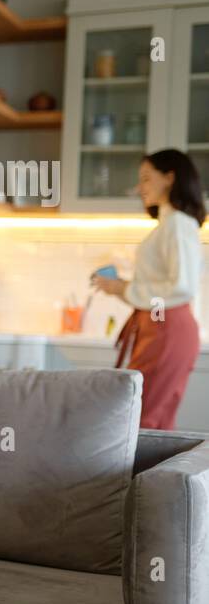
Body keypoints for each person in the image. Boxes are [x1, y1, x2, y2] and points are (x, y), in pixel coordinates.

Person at [93, 149, 206, 430]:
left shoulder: (178, 224)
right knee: (150, 416)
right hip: (160, 324)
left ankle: (136, 476)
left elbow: (181, 285)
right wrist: (121, 289)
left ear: (169, 178)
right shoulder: (169, 224)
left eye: (145, 179)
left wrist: (124, 288)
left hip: (166, 325)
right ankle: (144, 475)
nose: (139, 188)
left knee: (142, 417)